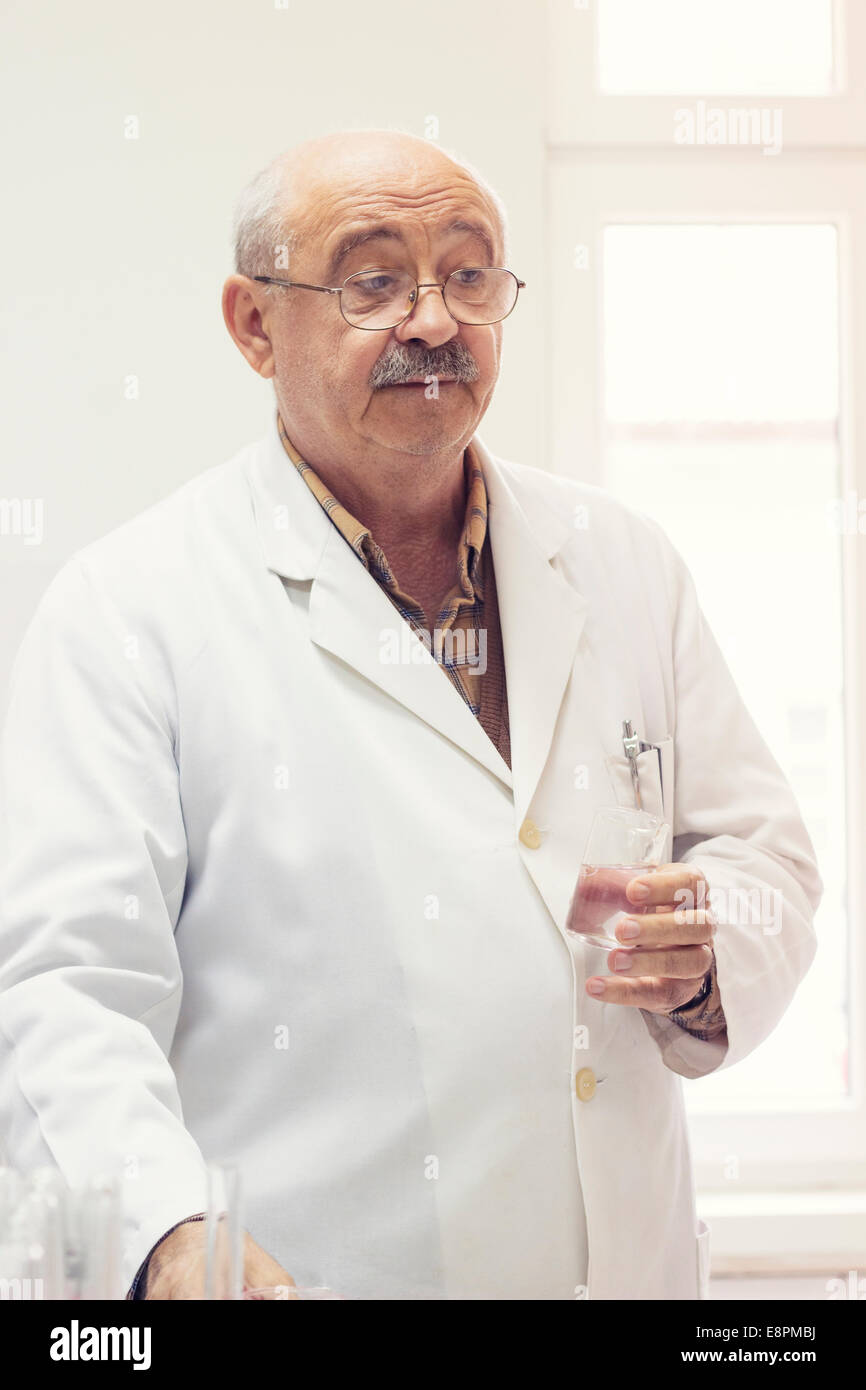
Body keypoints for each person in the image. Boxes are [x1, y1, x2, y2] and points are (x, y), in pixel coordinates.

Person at [0, 130, 820, 1300]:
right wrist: (169, 1233)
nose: (433, 321)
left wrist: (704, 961)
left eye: (469, 274)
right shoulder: (131, 609)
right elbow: (61, 989)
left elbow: (763, 856)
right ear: (252, 324)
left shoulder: (621, 561)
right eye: (372, 279)